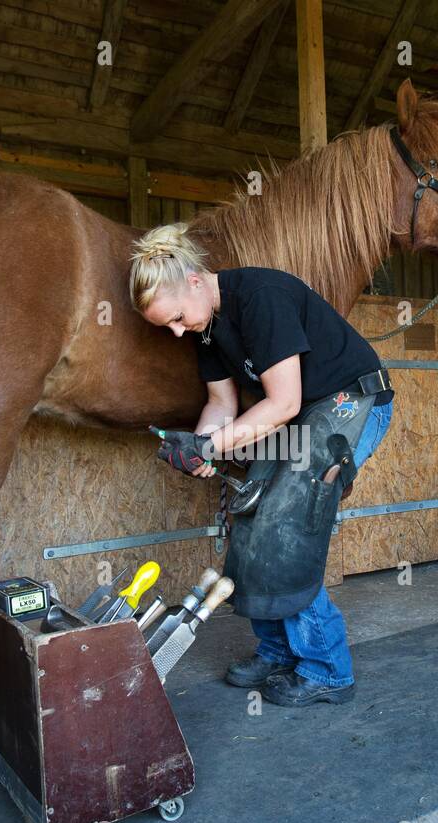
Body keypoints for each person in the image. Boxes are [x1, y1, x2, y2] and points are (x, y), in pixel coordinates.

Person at [128, 222, 394, 707]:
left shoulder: (260, 296)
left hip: (349, 400)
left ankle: (327, 670)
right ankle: (278, 652)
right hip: (302, 414)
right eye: (167, 326)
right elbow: (221, 406)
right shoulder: (206, 329)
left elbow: (285, 401)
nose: (176, 331)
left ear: (194, 281)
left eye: (177, 318)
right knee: (249, 515)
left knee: (287, 527)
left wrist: (216, 448)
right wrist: (199, 447)